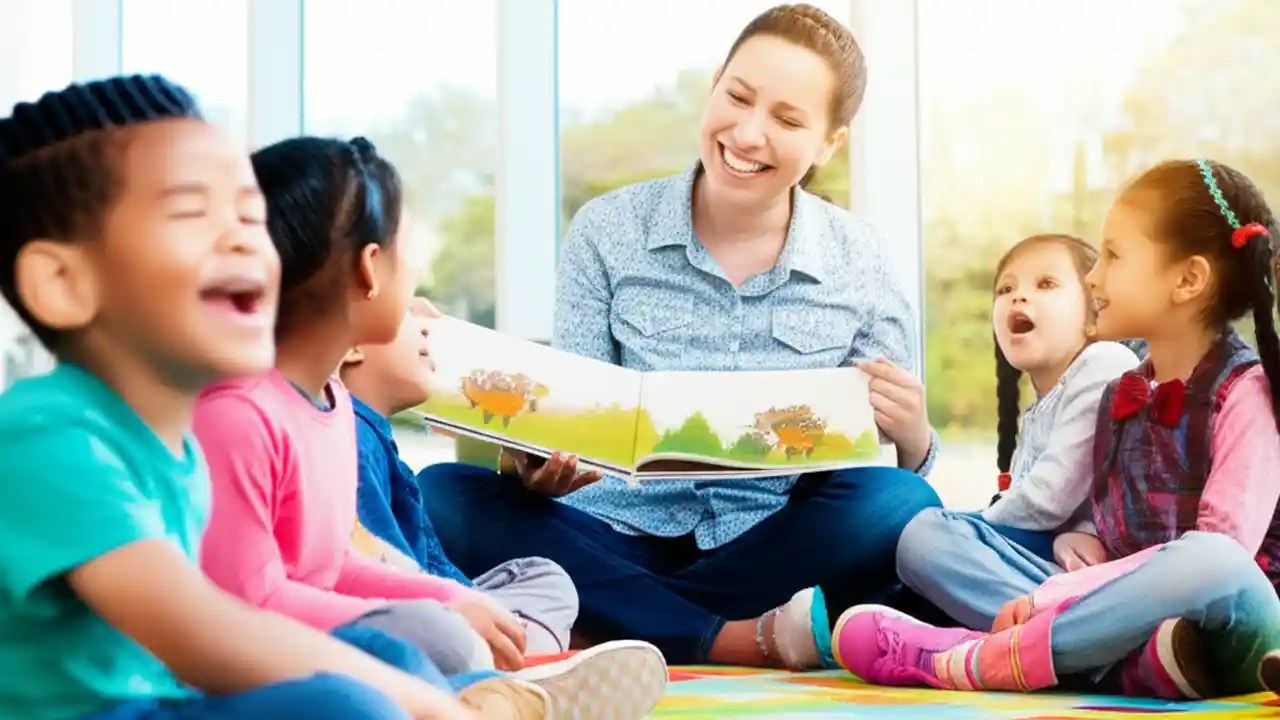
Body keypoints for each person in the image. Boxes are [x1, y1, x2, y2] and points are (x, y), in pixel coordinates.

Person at [421, 3, 942, 671]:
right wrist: (538, 467)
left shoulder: (859, 257)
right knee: (442, 493)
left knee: (900, 503)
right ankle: (731, 637)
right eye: (739, 97)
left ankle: (606, 617)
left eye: (786, 120)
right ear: (715, 82)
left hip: (769, 544)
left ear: (829, 143)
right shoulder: (608, 229)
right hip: (611, 531)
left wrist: (917, 436)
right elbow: (570, 415)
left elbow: (887, 463)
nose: (748, 134)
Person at [0, 74, 481, 720]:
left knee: (377, 659)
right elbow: (202, 636)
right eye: (192, 212)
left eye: (250, 215)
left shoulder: (173, 446)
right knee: (344, 704)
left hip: (155, 700)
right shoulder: (47, 436)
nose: (246, 239)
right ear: (63, 282)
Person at [191, 135, 666, 717]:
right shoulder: (238, 414)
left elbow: (334, 563)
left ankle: (494, 696)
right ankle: (493, 701)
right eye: (407, 253)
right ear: (370, 268)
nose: (421, 275)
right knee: (418, 642)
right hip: (244, 660)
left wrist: (448, 596)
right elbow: (248, 601)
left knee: (441, 630)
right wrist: (427, 616)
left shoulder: (331, 404)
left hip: (314, 638)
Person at [832, 158, 1280, 699]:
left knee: (1213, 560)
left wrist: (1064, 592)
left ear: (1187, 280)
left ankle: (980, 660)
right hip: (1130, 621)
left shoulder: (1247, 393)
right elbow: (1113, 519)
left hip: (1233, 628)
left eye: (1113, 256)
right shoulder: (1122, 392)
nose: (1094, 277)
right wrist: (1085, 538)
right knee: (924, 538)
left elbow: (1223, 550)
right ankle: (1124, 665)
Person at [894, 235, 1138, 629]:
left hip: (1109, 573)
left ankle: (1093, 634)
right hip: (1052, 568)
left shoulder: (1106, 362)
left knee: (924, 537)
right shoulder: (1039, 410)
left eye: (1046, 284)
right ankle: (1066, 633)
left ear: (1095, 316)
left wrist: (967, 527)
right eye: (1006, 289)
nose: (1018, 298)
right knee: (911, 566)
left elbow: (1049, 498)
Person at [340, 298, 580, 655]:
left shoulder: (372, 435)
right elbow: (383, 575)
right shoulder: (353, 442)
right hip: (410, 610)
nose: (427, 325)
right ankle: (501, 661)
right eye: (407, 310)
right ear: (353, 347)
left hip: (441, 599)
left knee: (548, 580)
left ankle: (505, 651)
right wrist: (453, 606)